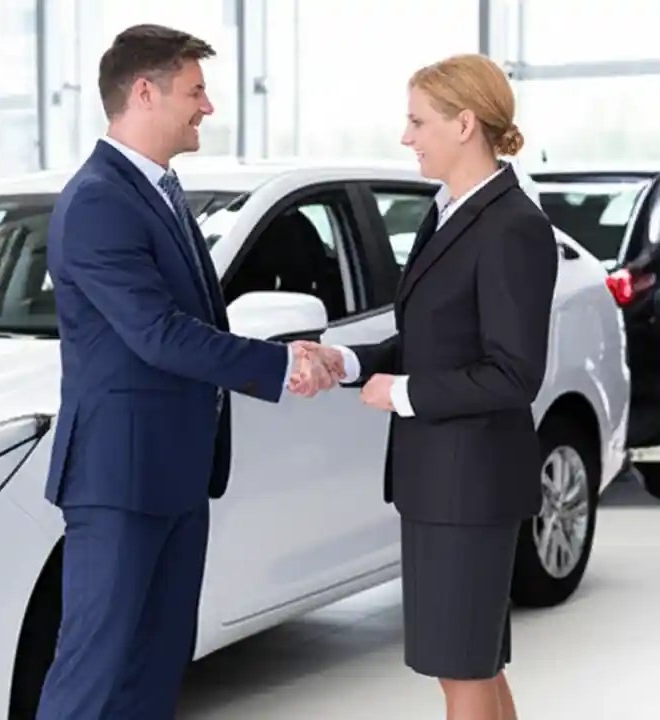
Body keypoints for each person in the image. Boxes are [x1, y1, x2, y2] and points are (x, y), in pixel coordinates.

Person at [35, 23, 340, 720]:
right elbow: (158, 334)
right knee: (95, 672)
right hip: (120, 478)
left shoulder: (160, 188)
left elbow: (197, 319)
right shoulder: (98, 201)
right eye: (195, 91)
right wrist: (280, 363)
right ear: (144, 92)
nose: (207, 107)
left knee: (155, 666)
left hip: (172, 472)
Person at [307, 53, 557, 720]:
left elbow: (514, 373)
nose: (406, 136)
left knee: (461, 671)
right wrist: (349, 363)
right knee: (473, 665)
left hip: (468, 484)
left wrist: (405, 394)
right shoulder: (448, 212)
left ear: (465, 123)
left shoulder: (511, 226)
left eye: (418, 120)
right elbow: (429, 339)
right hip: (444, 482)